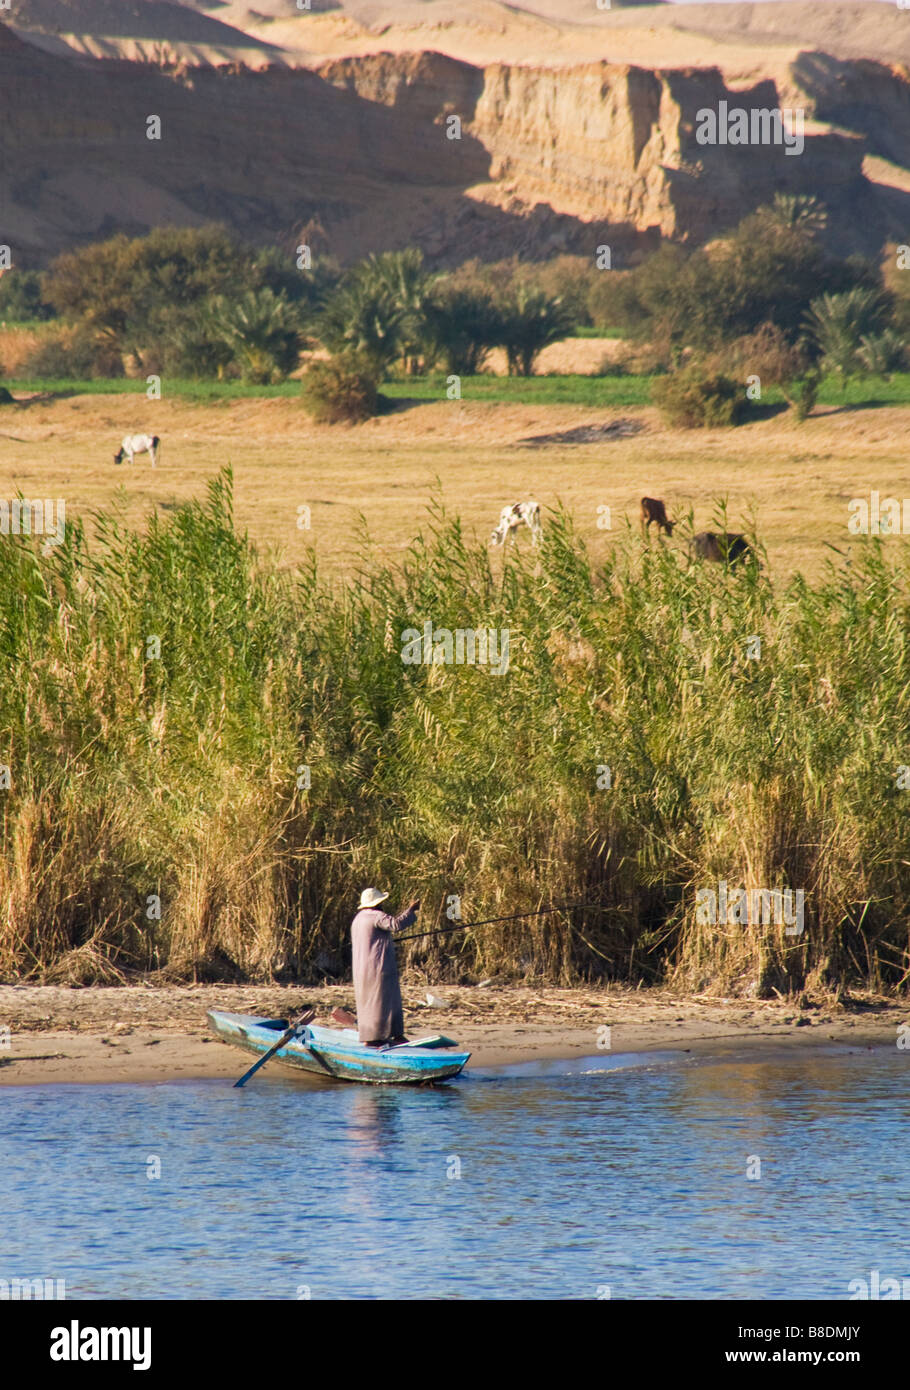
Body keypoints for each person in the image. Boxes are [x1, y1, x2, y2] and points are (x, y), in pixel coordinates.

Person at [350, 888, 420, 1046]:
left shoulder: (358, 918)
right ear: (377, 903)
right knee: (384, 1002)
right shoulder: (377, 916)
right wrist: (411, 910)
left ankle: (389, 1035)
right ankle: (377, 1039)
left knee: (371, 1004)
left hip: (362, 970)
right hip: (378, 968)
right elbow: (396, 924)